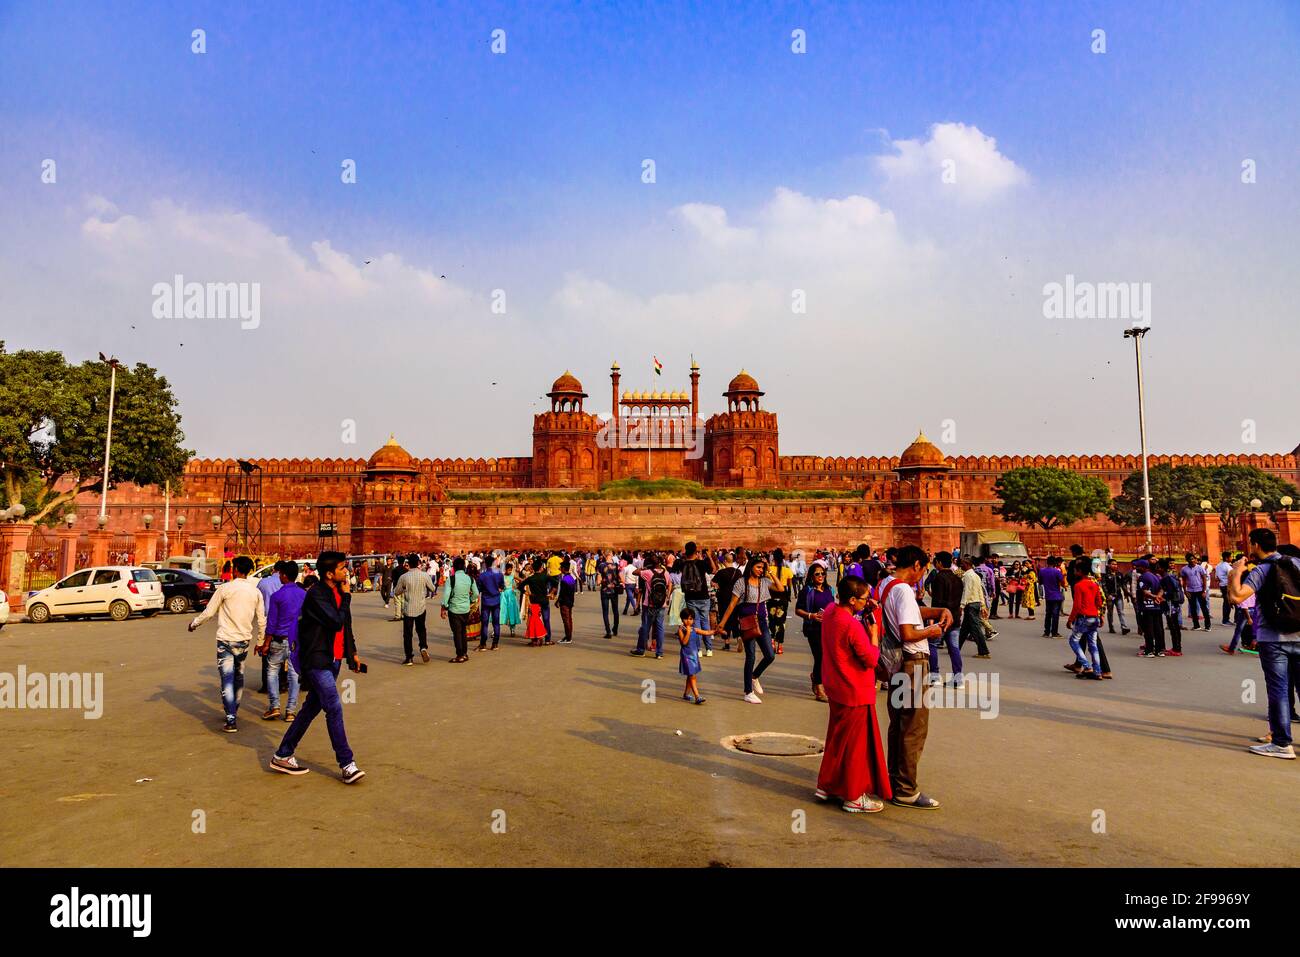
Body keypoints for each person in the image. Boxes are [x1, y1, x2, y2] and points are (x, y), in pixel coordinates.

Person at [269, 551, 366, 783]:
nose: (347, 572)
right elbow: (335, 621)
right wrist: (348, 598)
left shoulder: (338, 593)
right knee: (333, 706)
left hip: (333, 659)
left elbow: (346, 625)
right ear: (330, 573)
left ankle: (283, 754)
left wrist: (352, 655)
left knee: (311, 708)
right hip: (316, 660)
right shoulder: (317, 595)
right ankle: (347, 764)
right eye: (343, 568)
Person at [878, 545, 949, 810]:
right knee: (914, 729)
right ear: (917, 565)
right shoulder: (905, 589)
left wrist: (938, 609)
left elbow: (908, 615)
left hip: (897, 665)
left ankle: (893, 782)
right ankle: (906, 790)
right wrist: (931, 631)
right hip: (912, 664)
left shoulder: (886, 584)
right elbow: (908, 632)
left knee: (898, 726)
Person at [815, 574, 890, 813]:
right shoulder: (852, 626)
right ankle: (854, 795)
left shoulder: (829, 612)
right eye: (863, 599)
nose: (866, 602)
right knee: (856, 747)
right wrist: (875, 635)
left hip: (835, 686)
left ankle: (827, 785)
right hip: (854, 689)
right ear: (851, 599)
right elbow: (870, 658)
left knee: (837, 739)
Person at [1227, 529, 1300, 759]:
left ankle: (1281, 743)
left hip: (1273, 639)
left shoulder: (1262, 569)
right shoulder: (1296, 563)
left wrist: (1235, 573)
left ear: (1255, 544)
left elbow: (1237, 597)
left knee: (1278, 691)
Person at [188, 555, 267, 733]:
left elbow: (209, 613)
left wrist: (194, 624)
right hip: (244, 640)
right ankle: (233, 709)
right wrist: (260, 641)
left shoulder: (225, 589)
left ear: (236, 569)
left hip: (225, 639)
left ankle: (231, 717)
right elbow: (262, 620)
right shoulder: (255, 592)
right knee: (238, 676)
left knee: (227, 679)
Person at [718, 555, 776, 704]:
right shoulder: (741, 583)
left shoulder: (763, 582)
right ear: (751, 567)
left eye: (762, 567)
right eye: (758, 567)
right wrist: (722, 623)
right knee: (751, 655)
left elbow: (780, 588)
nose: (760, 570)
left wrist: (769, 572)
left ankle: (754, 676)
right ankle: (748, 691)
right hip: (746, 621)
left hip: (762, 621)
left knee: (770, 655)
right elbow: (732, 605)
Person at [260, 561, 305, 721]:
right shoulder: (303, 594)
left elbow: (271, 623)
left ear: (284, 575)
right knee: (294, 674)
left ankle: (275, 706)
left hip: (279, 639)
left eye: (280, 574)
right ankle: (291, 711)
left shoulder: (277, 596)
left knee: (272, 671)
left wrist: (265, 643)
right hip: (296, 640)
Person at [795, 560, 836, 700]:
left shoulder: (829, 589)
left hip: (829, 628)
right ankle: (819, 687)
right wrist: (811, 615)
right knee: (820, 656)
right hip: (813, 629)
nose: (820, 576)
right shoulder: (807, 591)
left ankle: (816, 677)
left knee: (826, 657)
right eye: (817, 574)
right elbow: (798, 610)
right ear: (811, 576)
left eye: (822, 573)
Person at [926, 551, 969, 684]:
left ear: (939, 562)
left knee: (932, 645)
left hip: (942, 618)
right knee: (954, 648)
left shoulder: (939, 578)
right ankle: (958, 679)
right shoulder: (957, 578)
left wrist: (932, 618)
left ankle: (935, 676)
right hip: (955, 618)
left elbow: (937, 601)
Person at [394, 552, 438, 665]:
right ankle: (423, 647)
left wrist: (404, 588)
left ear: (408, 564)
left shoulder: (404, 577)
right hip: (421, 606)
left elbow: (396, 592)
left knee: (408, 633)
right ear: (418, 563)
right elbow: (432, 588)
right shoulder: (424, 575)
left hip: (408, 608)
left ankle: (409, 657)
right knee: (421, 629)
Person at [1064, 563, 1105, 679]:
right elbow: (1099, 602)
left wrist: (1070, 620)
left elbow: (1077, 606)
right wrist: (1101, 616)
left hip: (1083, 617)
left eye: (1076, 571)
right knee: (1093, 645)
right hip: (1094, 617)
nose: (1074, 573)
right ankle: (1097, 671)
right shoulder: (1094, 584)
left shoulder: (1078, 585)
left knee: (1073, 640)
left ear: (1080, 571)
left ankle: (1087, 666)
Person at [678, 541, 717, 656]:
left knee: (695, 623)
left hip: (690, 597)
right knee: (705, 622)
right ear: (696, 551)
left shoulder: (683, 564)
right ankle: (709, 649)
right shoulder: (701, 563)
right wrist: (708, 556)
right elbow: (714, 570)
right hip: (703, 596)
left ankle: (698, 649)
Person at [631, 554, 673, 658]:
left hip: (649, 603)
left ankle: (641, 650)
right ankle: (659, 652)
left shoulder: (648, 572)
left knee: (646, 626)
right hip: (661, 604)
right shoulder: (666, 573)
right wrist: (667, 597)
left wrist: (645, 568)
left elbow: (634, 572)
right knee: (660, 628)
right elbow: (669, 585)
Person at [440, 557, 480, 663]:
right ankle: (464, 654)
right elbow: (476, 593)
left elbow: (446, 595)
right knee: (463, 632)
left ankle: (460, 655)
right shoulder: (470, 579)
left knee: (457, 633)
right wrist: (470, 600)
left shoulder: (451, 579)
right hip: (466, 609)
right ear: (464, 566)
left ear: (454, 567)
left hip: (454, 609)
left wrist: (444, 607)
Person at [676, 608, 714, 705]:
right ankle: (697, 696)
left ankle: (686, 694)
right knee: (692, 675)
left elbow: (706, 632)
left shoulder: (694, 629)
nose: (689, 621)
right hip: (686, 656)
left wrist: (717, 631)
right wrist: (688, 632)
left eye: (691, 619)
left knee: (691, 675)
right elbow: (684, 642)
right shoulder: (681, 630)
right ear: (682, 619)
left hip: (694, 655)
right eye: (686, 619)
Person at [957, 556, 992, 658]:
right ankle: (955, 648)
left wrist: (962, 605)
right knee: (964, 629)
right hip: (975, 603)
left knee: (975, 629)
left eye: (963, 563)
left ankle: (984, 651)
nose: (961, 565)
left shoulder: (968, 576)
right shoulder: (975, 576)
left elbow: (966, 591)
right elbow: (979, 591)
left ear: (967, 564)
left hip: (970, 604)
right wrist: (982, 605)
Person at [1133, 558, 1166, 658]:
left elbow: (1144, 592)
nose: (1135, 568)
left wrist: (1154, 597)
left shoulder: (1143, 577)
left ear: (1143, 567)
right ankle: (1160, 650)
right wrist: (1159, 597)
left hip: (1147, 607)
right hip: (1156, 607)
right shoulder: (1155, 576)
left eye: (1137, 566)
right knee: (1158, 628)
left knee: (1148, 629)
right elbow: (1161, 589)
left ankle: (1149, 651)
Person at [767, 548, 794, 655]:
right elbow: (789, 585)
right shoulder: (787, 570)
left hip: (772, 596)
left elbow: (767, 583)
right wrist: (789, 595)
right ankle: (780, 646)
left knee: (772, 620)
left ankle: (772, 641)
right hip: (783, 597)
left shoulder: (769, 570)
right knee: (781, 621)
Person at [521, 560, 554, 646]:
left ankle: (535, 638)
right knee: (546, 620)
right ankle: (547, 639)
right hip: (544, 600)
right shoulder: (545, 576)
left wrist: (526, 592)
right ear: (541, 568)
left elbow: (520, 586)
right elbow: (555, 582)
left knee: (534, 620)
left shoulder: (531, 578)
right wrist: (551, 592)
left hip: (534, 601)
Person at [476, 554, 505, 651]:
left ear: (485, 564)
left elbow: (478, 589)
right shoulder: (499, 574)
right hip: (496, 600)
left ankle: (483, 644)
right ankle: (495, 644)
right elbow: (502, 586)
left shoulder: (482, 575)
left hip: (486, 600)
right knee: (496, 623)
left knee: (485, 623)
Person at [1158, 558, 1185, 657]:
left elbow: (1171, 591)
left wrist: (1162, 596)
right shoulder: (1170, 576)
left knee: (1173, 626)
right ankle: (1177, 647)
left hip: (1170, 605)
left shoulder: (1167, 578)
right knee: (1175, 626)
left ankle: (1176, 648)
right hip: (1174, 604)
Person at [1181, 551, 1211, 631]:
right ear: (1187, 560)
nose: (1192, 560)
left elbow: (1204, 579)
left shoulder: (1199, 568)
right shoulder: (1184, 569)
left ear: (1195, 559)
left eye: (1193, 559)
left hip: (1200, 590)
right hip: (1190, 591)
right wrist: (1185, 591)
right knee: (1193, 609)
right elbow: (1184, 581)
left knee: (1204, 608)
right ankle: (1196, 626)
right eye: (1190, 559)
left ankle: (1208, 626)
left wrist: (1204, 591)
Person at [1101, 561, 1132, 635]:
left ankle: (1124, 627)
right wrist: (1107, 595)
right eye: (1113, 564)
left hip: (1118, 596)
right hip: (1110, 596)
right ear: (1109, 565)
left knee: (1121, 612)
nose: (1115, 565)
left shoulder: (1119, 574)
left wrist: (1126, 593)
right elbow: (1104, 586)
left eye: (1116, 564)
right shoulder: (1105, 575)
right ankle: (1111, 626)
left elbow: (1122, 585)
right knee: (1110, 612)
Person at [1038, 557, 1066, 637]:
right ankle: (1054, 632)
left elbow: (1040, 582)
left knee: (1048, 614)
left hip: (1048, 595)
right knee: (1055, 615)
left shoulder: (1042, 571)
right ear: (1055, 563)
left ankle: (1046, 632)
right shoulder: (1057, 571)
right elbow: (1063, 582)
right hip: (1056, 595)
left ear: (1047, 562)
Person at [598, 555, 621, 639]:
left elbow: (598, 580)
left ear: (605, 555)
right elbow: (620, 577)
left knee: (605, 612)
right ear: (610, 556)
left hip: (604, 590)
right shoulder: (616, 565)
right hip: (614, 590)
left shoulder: (601, 565)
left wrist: (600, 581)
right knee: (615, 610)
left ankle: (608, 632)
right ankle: (615, 629)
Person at [556, 558, 578, 643]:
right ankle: (568, 636)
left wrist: (558, 601)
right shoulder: (571, 578)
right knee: (569, 619)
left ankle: (568, 637)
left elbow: (562, 593)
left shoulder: (564, 579)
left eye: (561, 567)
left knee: (566, 620)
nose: (560, 569)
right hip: (570, 601)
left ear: (564, 569)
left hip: (565, 602)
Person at [500, 561, 522, 637]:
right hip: (503, 595)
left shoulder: (513, 575)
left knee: (512, 611)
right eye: (508, 570)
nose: (509, 571)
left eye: (510, 570)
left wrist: (518, 587)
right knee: (502, 611)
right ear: (505, 569)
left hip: (511, 595)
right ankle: (496, 630)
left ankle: (512, 629)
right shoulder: (501, 576)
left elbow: (521, 580)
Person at [1215, 551, 1235, 625]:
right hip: (1227, 585)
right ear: (1226, 558)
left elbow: (1216, 577)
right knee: (1227, 603)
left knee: (1226, 602)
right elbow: (1231, 577)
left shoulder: (1218, 565)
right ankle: (1225, 620)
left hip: (1222, 585)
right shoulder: (1227, 566)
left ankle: (1226, 619)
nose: (1231, 558)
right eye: (1230, 557)